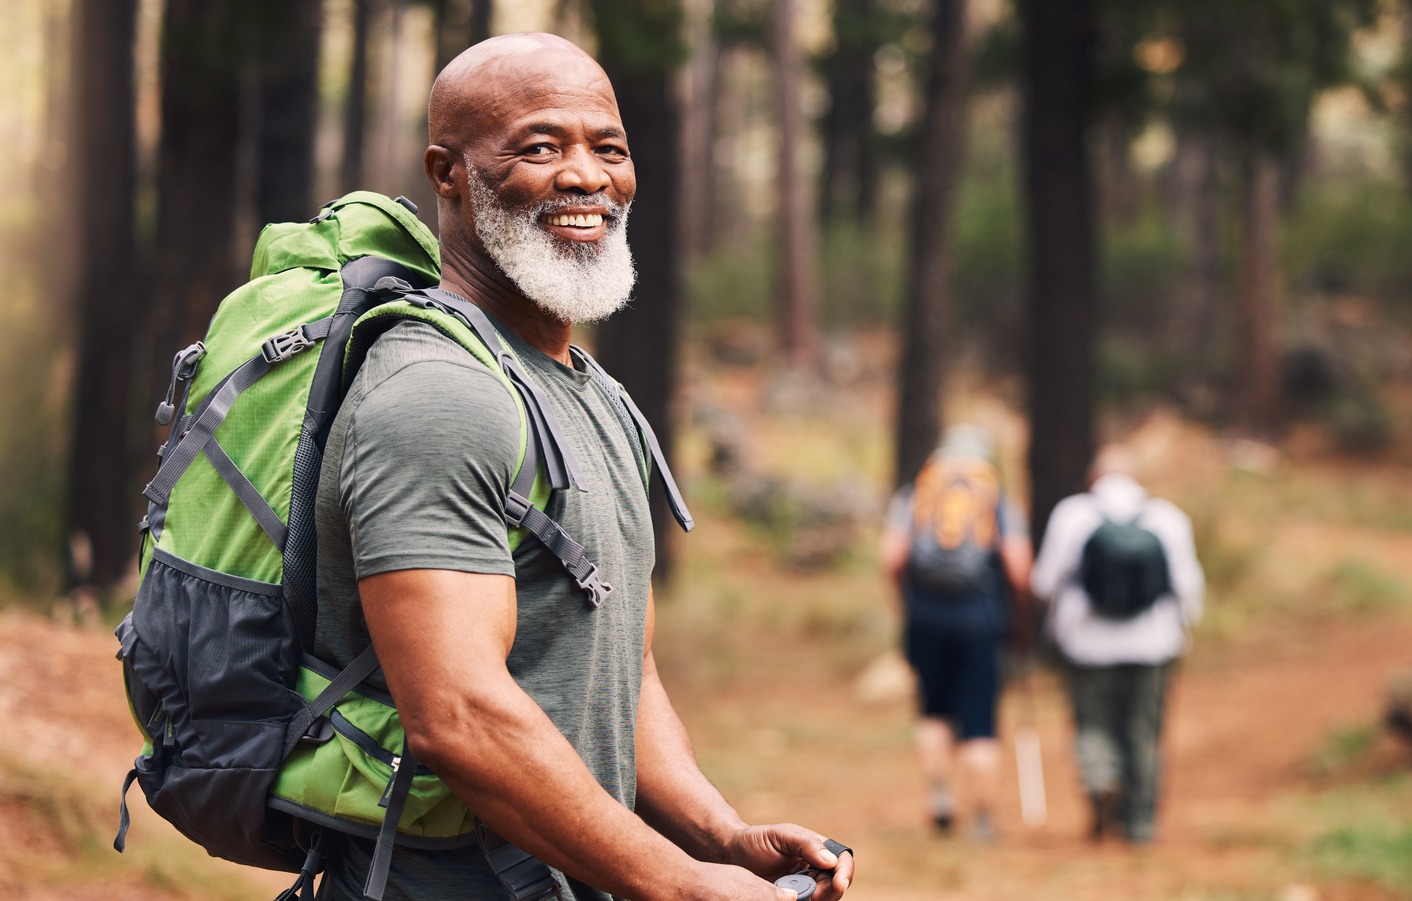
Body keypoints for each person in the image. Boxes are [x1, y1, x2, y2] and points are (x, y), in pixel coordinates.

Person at [312, 33, 855, 900]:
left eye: (608, 147)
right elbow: (458, 716)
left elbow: (614, 670)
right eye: (539, 146)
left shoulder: (589, 393)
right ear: (447, 172)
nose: (585, 176)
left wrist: (721, 836)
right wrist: (677, 884)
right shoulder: (436, 395)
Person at [1030, 444, 1204, 844]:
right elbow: (1188, 587)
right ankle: (1140, 824)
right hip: (1153, 644)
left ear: (1094, 478)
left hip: (1086, 645)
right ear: (1138, 479)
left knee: (1092, 723)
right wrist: (1182, 633)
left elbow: (1043, 583)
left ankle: (1101, 780)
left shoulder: (1072, 514)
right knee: (1144, 731)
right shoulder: (1167, 518)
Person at [878, 426, 1034, 840]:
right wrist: (1019, 616)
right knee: (979, 723)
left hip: (926, 619)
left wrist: (907, 605)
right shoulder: (996, 497)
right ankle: (981, 820)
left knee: (933, 711)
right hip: (981, 622)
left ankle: (940, 800)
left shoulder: (916, 493)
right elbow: (1019, 567)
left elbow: (892, 558)